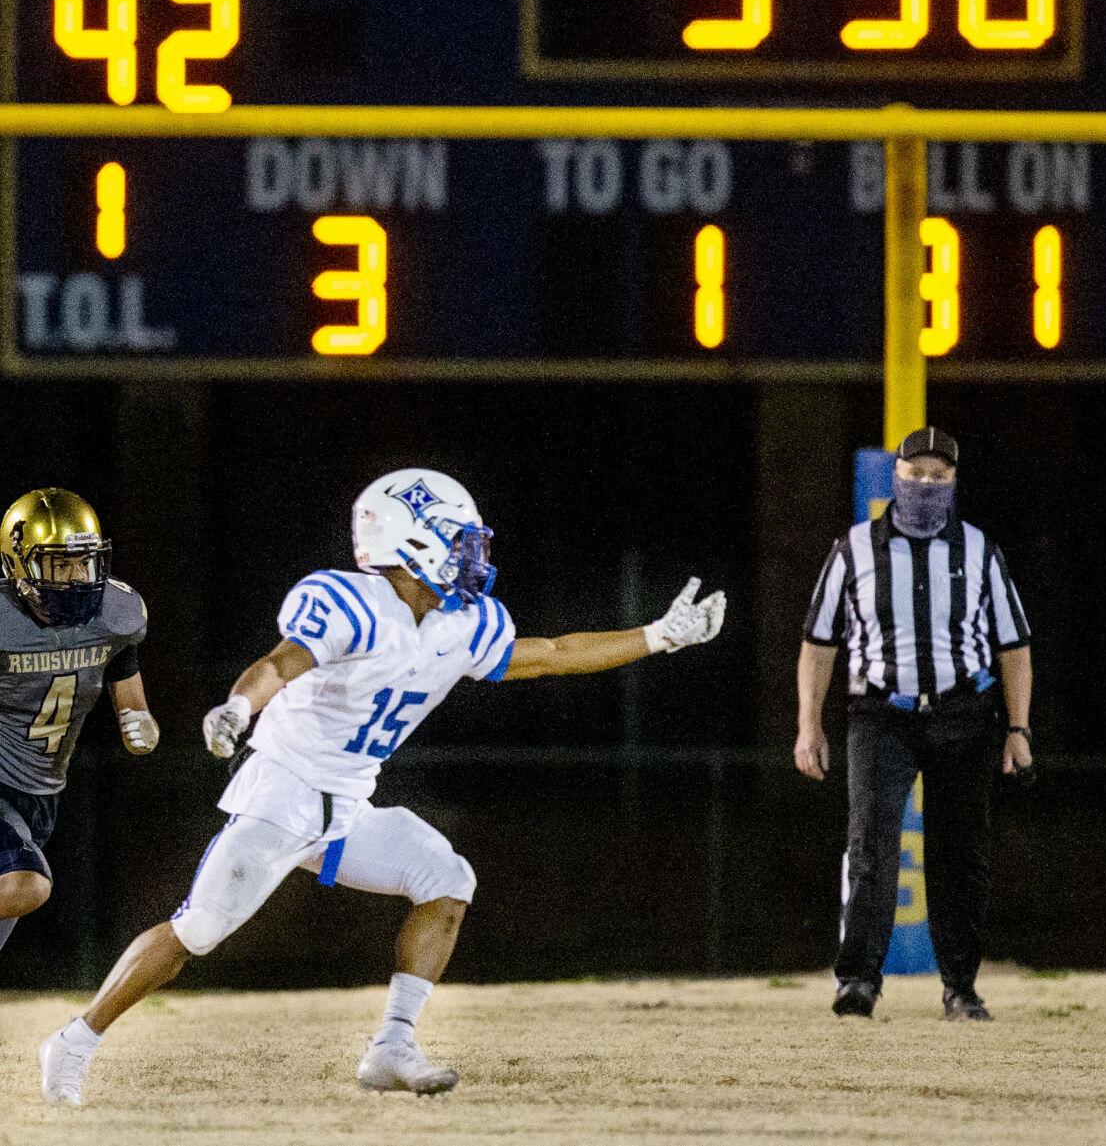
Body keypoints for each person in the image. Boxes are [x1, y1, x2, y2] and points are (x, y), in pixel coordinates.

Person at [40, 468, 724, 1105]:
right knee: (200, 929)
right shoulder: (351, 601)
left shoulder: (465, 621)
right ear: (411, 540)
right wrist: (239, 708)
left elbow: (551, 654)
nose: (472, 555)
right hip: (285, 788)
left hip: (348, 800)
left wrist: (659, 636)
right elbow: (282, 661)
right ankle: (74, 1040)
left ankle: (392, 1045)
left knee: (446, 877)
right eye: (459, 541)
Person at [796, 427, 1032, 1021]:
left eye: (938, 475)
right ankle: (858, 982)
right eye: (915, 473)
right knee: (871, 847)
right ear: (895, 477)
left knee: (960, 854)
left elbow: (1014, 646)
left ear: (953, 483)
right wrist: (809, 725)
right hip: (881, 712)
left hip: (965, 713)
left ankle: (960, 987)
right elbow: (818, 643)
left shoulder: (980, 550)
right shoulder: (852, 549)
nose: (925, 484)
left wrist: (1018, 728)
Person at [2, 488, 158, 963]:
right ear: (19, 565)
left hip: (42, 792)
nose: (74, 578)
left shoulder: (115, 616)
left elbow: (132, 701)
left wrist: (141, 726)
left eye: (83, 563)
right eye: (58, 565)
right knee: (27, 883)